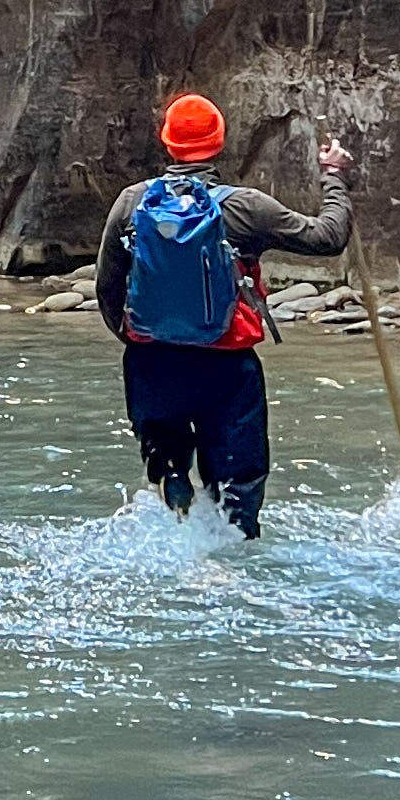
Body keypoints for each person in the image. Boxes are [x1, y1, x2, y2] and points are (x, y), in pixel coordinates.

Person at [94, 94, 353, 539]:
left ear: (167, 143)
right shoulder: (245, 207)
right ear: (219, 142)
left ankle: (179, 521)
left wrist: (139, 340)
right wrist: (335, 179)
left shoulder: (132, 202)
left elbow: (107, 288)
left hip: (152, 365)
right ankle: (235, 563)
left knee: (167, 464)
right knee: (237, 487)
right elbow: (327, 238)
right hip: (226, 370)